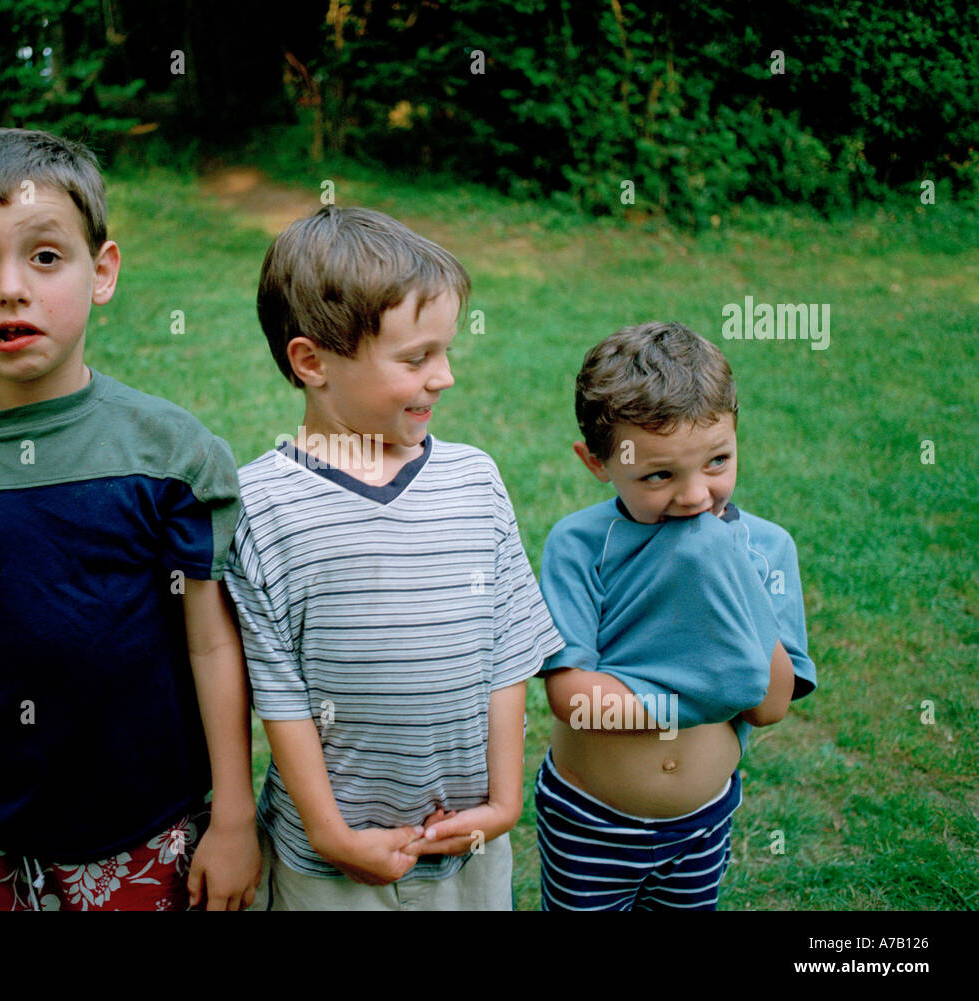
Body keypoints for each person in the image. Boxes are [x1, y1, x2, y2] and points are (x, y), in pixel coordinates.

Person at [0, 128, 260, 911]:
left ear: (101, 271)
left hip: (142, 822)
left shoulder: (171, 453)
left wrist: (235, 814)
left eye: (45, 257)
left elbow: (211, 640)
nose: (11, 289)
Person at [225, 205, 564, 909]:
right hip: (326, 864)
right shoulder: (259, 506)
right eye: (415, 359)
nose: (444, 377)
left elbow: (507, 656)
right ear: (312, 360)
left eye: (444, 351)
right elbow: (278, 696)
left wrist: (503, 804)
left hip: (465, 846)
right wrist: (332, 835)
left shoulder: (475, 480)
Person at [536, 321, 817, 910]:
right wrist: (708, 696)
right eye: (659, 475)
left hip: (701, 821)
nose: (694, 496)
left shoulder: (767, 550)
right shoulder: (581, 545)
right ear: (596, 462)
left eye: (717, 461)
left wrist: (731, 571)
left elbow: (767, 705)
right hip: (592, 820)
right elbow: (575, 701)